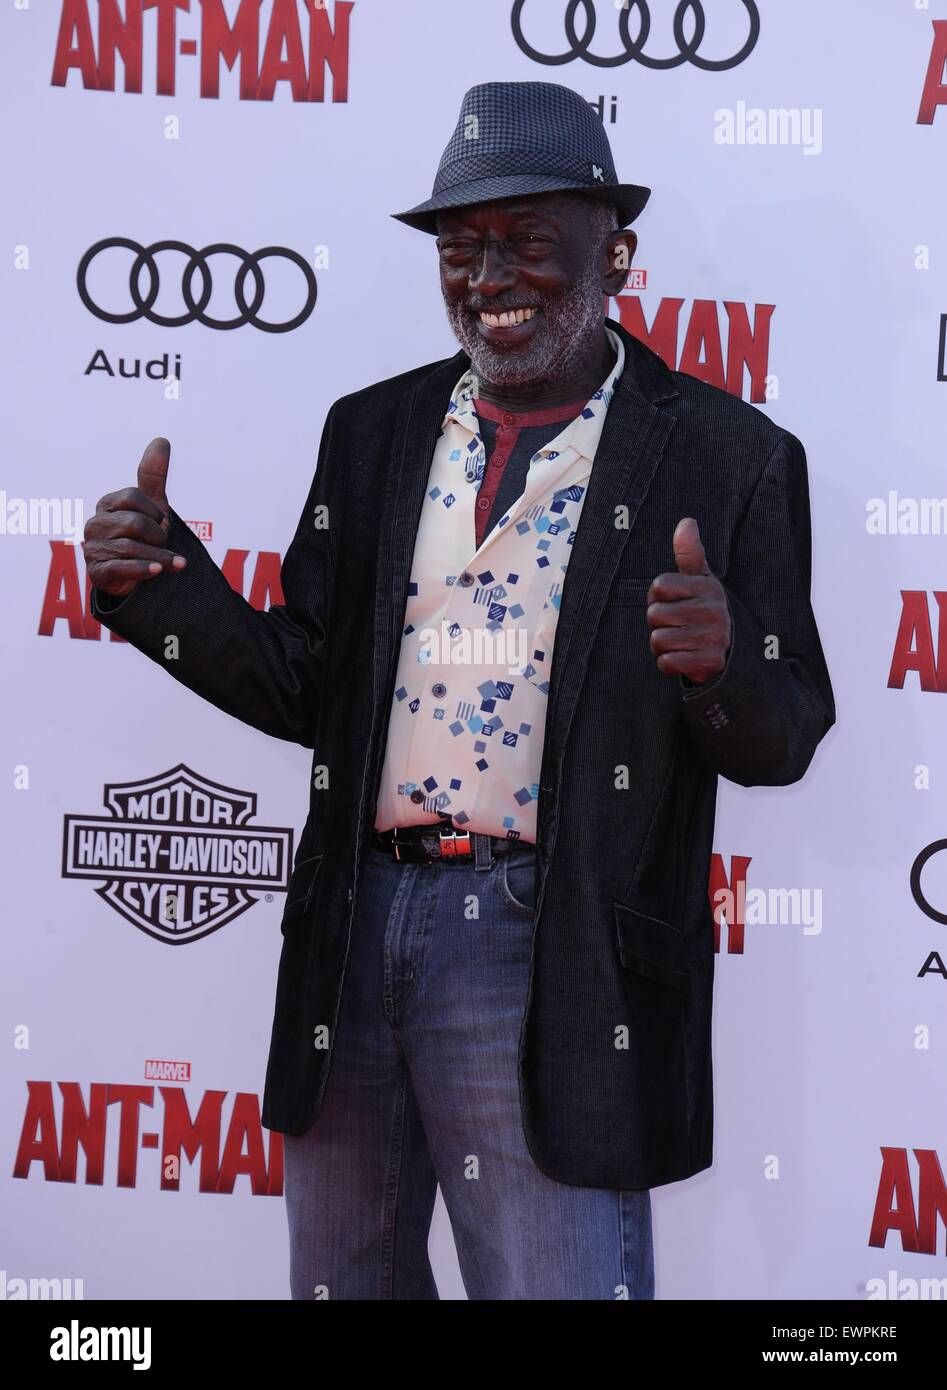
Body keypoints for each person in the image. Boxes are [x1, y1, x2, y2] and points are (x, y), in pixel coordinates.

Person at [82, 81, 835, 1300]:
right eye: (461, 245)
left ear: (615, 252)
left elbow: (784, 730)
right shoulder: (370, 434)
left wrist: (724, 658)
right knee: (342, 1281)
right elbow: (307, 685)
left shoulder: (726, 454)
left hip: (555, 944)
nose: (489, 274)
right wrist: (164, 592)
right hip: (354, 930)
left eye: (530, 239)